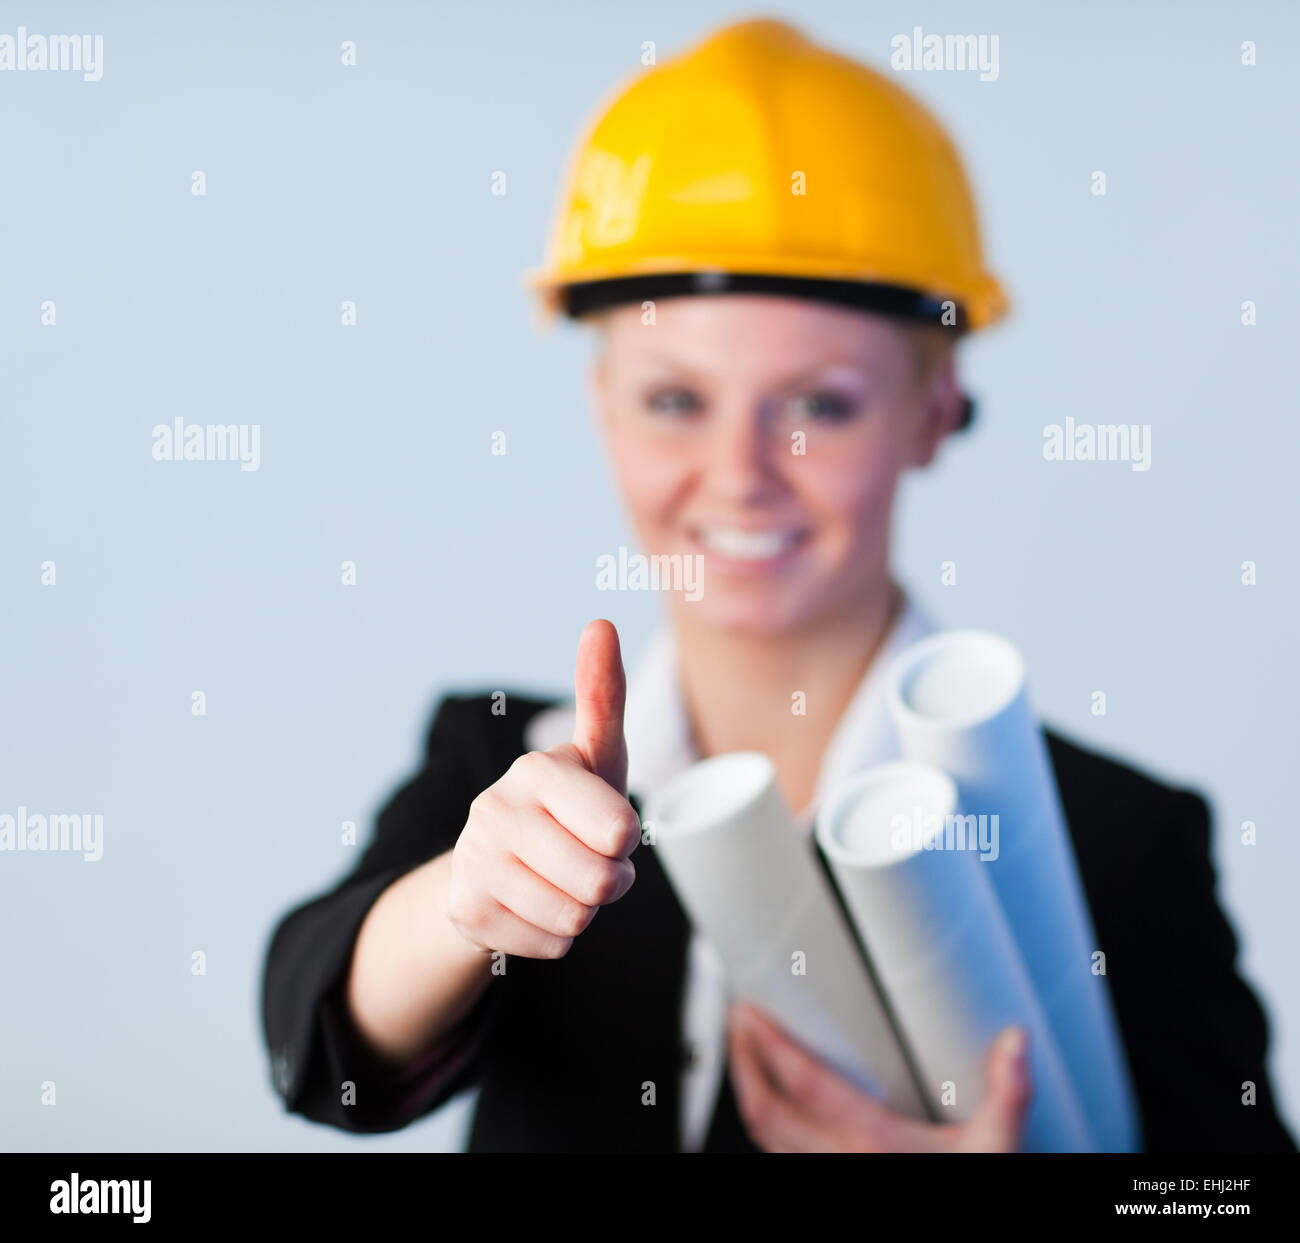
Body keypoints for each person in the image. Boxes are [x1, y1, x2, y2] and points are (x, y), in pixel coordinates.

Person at [260, 18, 1295, 1153]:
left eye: (818, 406)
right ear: (602, 407)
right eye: (673, 400)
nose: (739, 474)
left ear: (934, 411)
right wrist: (463, 900)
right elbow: (323, 1062)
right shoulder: (505, 769)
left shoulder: (1109, 838)